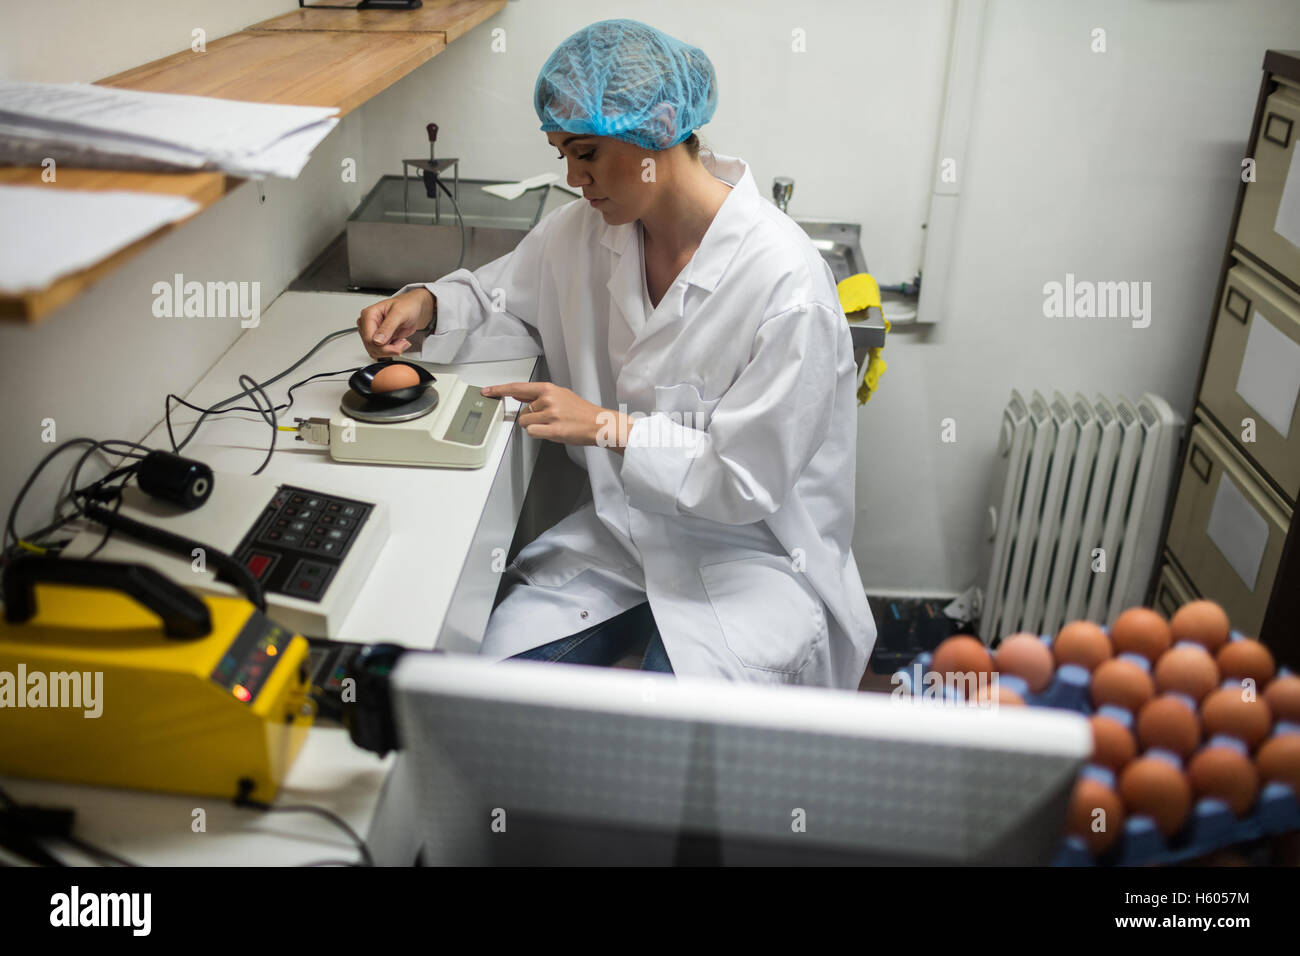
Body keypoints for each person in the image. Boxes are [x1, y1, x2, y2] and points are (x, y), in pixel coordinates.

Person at [357, 19, 876, 687]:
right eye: (563, 156)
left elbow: (745, 480)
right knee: (486, 686)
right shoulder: (584, 233)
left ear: (660, 129)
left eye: (588, 153)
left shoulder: (786, 285)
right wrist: (429, 304)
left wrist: (607, 426)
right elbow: (503, 299)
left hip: (754, 558)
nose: (574, 178)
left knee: (663, 739)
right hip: (621, 541)